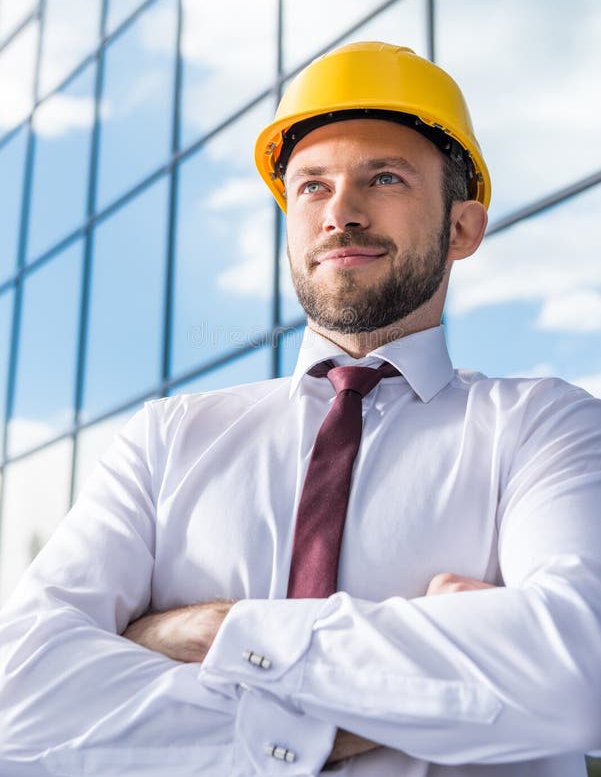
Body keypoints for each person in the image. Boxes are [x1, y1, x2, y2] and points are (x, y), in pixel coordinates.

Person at [0, 42, 600, 777]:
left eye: (384, 179)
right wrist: (424, 690)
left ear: (460, 229)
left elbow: (579, 671)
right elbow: (19, 695)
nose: (340, 213)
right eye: (311, 187)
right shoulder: (167, 439)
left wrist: (222, 637)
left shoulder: (545, 426)